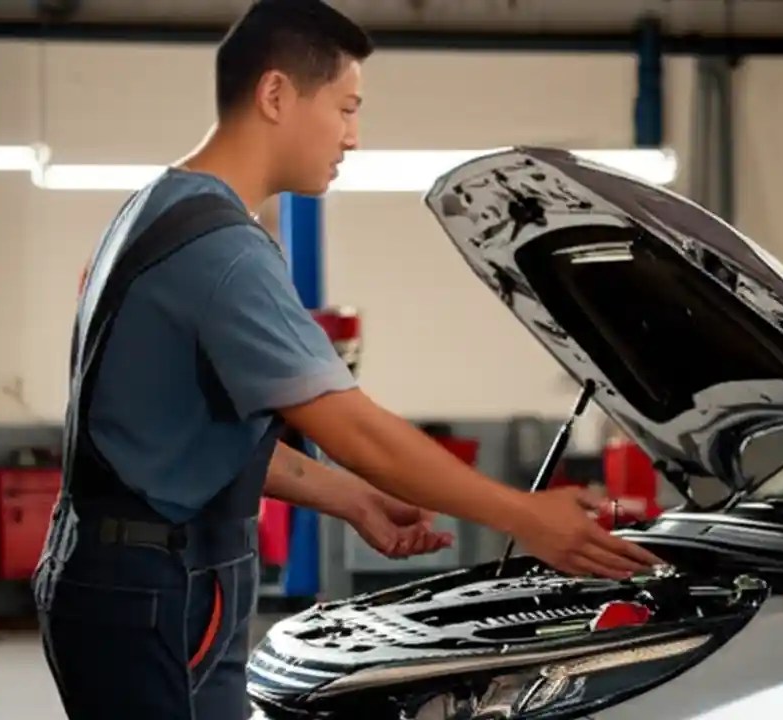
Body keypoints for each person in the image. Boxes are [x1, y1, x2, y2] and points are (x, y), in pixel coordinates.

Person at [32, 1, 661, 718]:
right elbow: (354, 430)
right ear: (276, 95)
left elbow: (187, 439)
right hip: (149, 581)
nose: (354, 136)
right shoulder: (222, 251)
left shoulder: (158, 209)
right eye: (345, 107)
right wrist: (524, 514)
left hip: (137, 569)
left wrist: (356, 500)